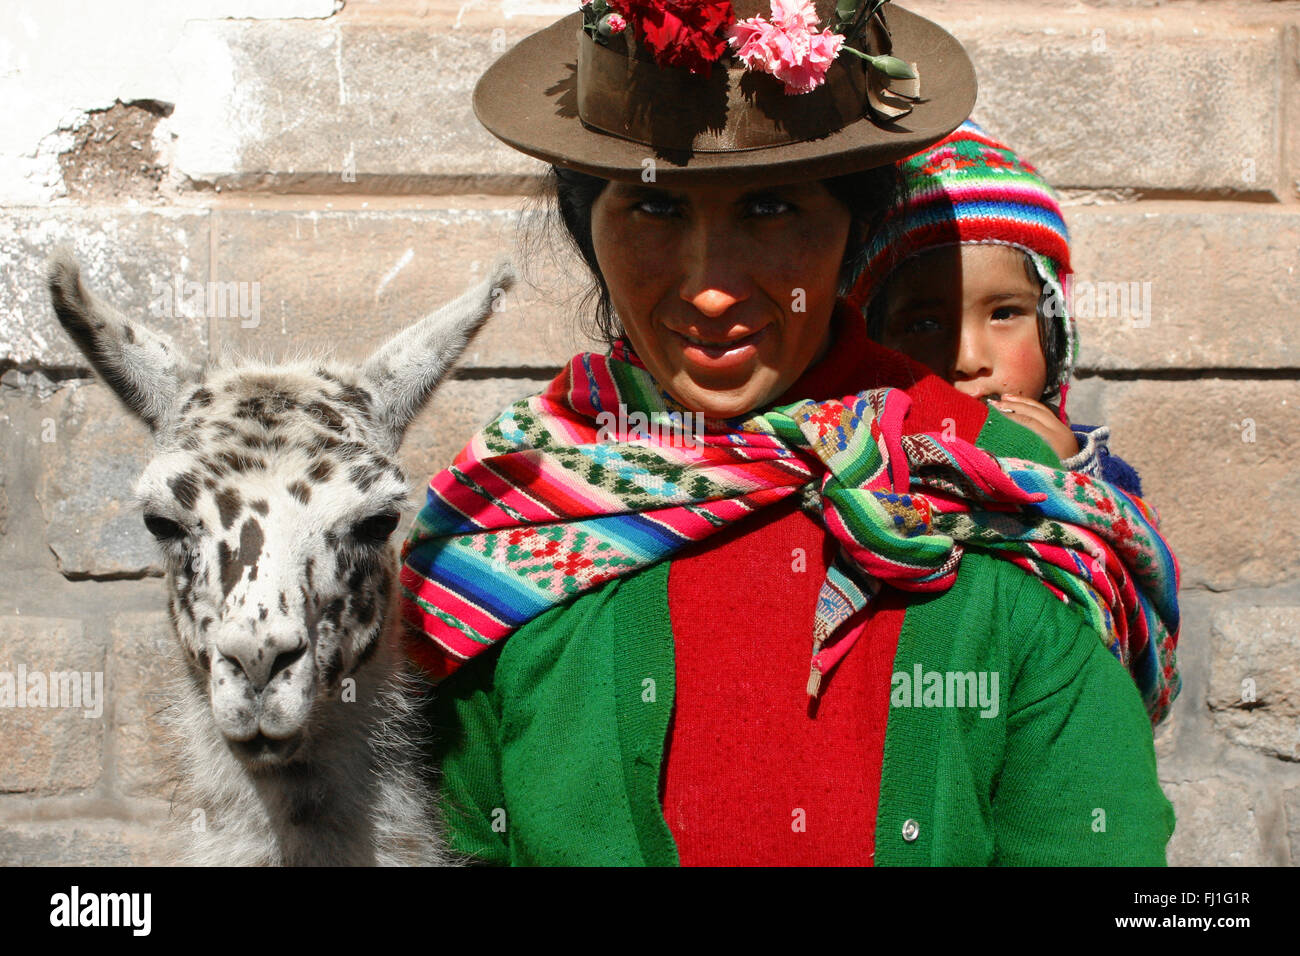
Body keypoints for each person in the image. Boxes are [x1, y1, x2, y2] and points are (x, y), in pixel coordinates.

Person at [399, 0, 1180, 866]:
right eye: (656, 213)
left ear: (855, 222)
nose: (710, 288)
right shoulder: (509, 514)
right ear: (588, 225)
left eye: (770, 210)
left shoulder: (999, 494)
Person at [847, 119, 1144, 496]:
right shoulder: (851, 463)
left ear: (1056, 328)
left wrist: (1069, 475)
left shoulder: (1084, 462)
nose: (969, 361)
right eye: (924, 325)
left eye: (1003, 314)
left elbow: (1135, 548)